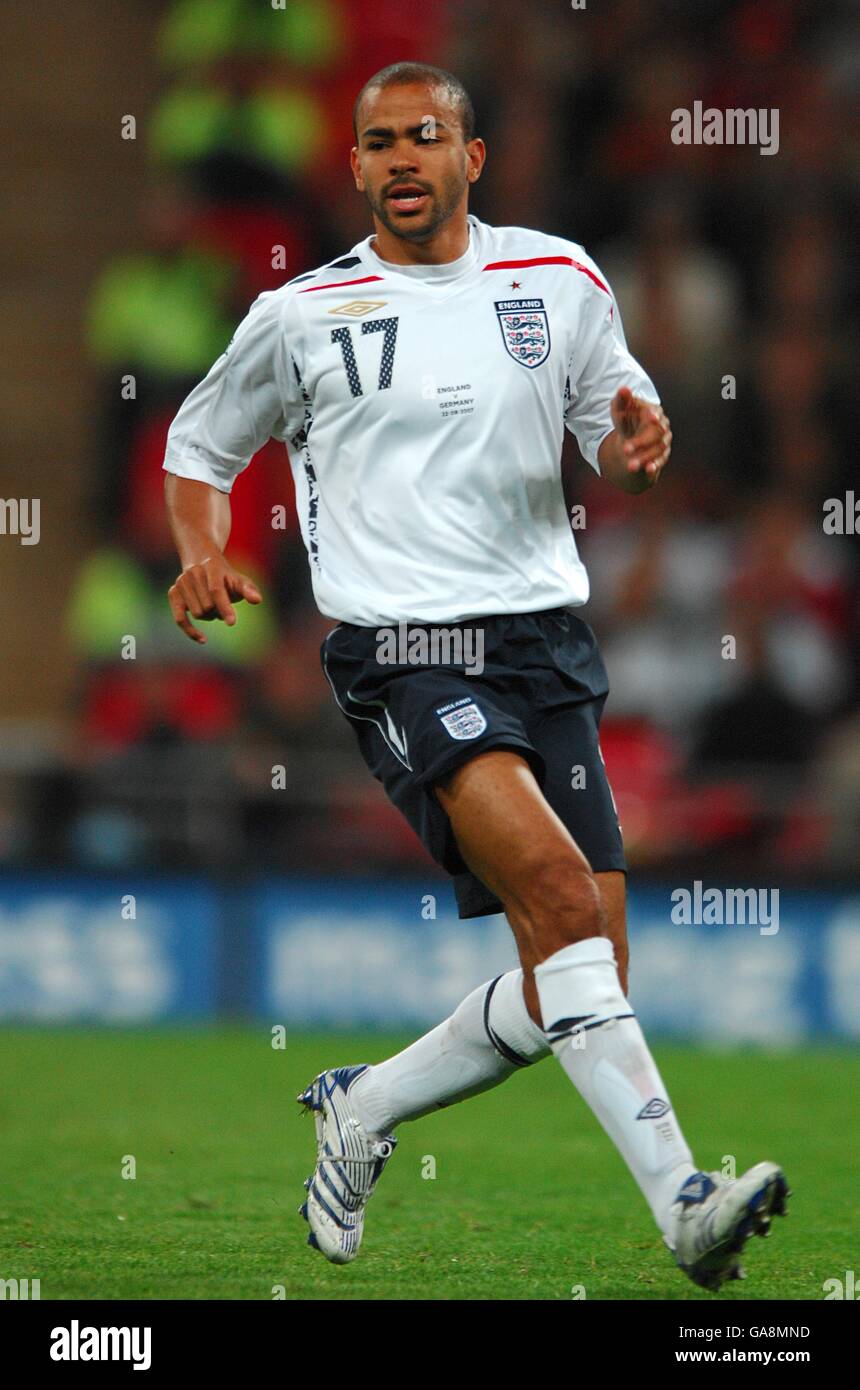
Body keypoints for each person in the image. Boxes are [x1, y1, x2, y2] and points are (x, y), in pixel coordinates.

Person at [163, 62, 788, 1291]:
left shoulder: (557, 279)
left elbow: (617, 434)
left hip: (544, 644)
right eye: (377, 141)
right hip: (403, 649)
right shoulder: (303, 313)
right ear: (354, 165)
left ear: (471, 156)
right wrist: (200, 550)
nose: (401, 157)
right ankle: (684, 1204)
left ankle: (365, 1105)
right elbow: (198, 445)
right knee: (557, 897)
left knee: (585, 965)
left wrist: (635, 449)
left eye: (424, 135)